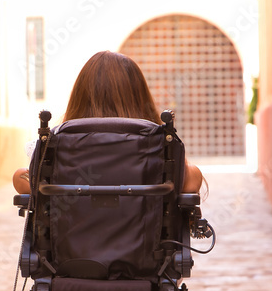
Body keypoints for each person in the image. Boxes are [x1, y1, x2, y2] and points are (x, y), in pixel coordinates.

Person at [13, 51, 204, 194]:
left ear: (80, 97)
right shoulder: (158, 143)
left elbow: (28, 182)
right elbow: (190, 181)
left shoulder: (57, 142)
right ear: (139, 96)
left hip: (72, 243)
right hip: (145, 242)